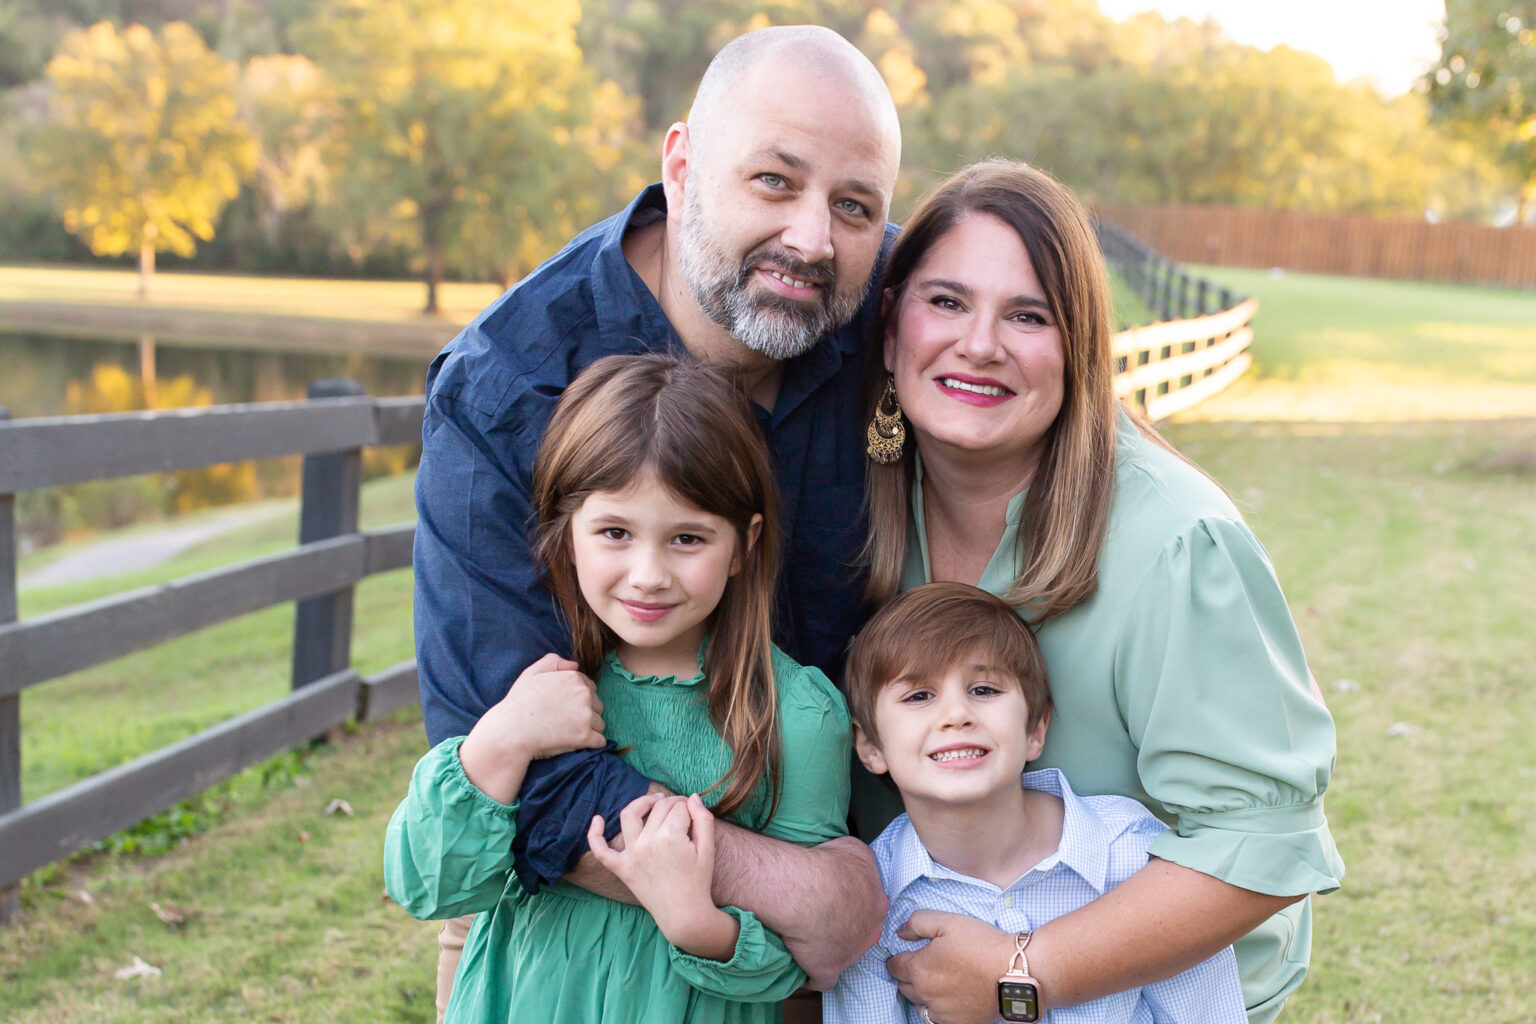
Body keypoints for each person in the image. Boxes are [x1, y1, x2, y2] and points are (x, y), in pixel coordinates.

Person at [408, 24, 901, 1015]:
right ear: (680, 166)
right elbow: (511, 782)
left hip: (807, 957)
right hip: (565, 938)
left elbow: (1033, 356)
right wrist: (804, 890)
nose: (814, 237)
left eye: (856, 205)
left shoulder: (896, 305)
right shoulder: (508, 389)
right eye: (773, 179)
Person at [852, 160, 1344, 1024]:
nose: (980, 344)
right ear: (891, 329)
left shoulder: (1178, 543)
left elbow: (1262, 844)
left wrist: (1021, 976)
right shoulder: (848, 502)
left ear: (1079, 346)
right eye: (947, 302)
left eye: (1029, 315)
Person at [386, 354, 854, 1023]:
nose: (647, 575)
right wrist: (500, 743)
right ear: (567, 532)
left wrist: (698, 923)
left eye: (687, 538)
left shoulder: (796, 715)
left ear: (744, 544)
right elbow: (426, 883)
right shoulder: (540, 685)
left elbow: (799, 960)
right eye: (615, 532)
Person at [824, 582, 1248, 1024]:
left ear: (1035, 729)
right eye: (919, 696)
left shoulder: (1129, 850)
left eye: (984, 690)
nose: (956, 714)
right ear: (870, 745)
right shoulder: (874, 898)